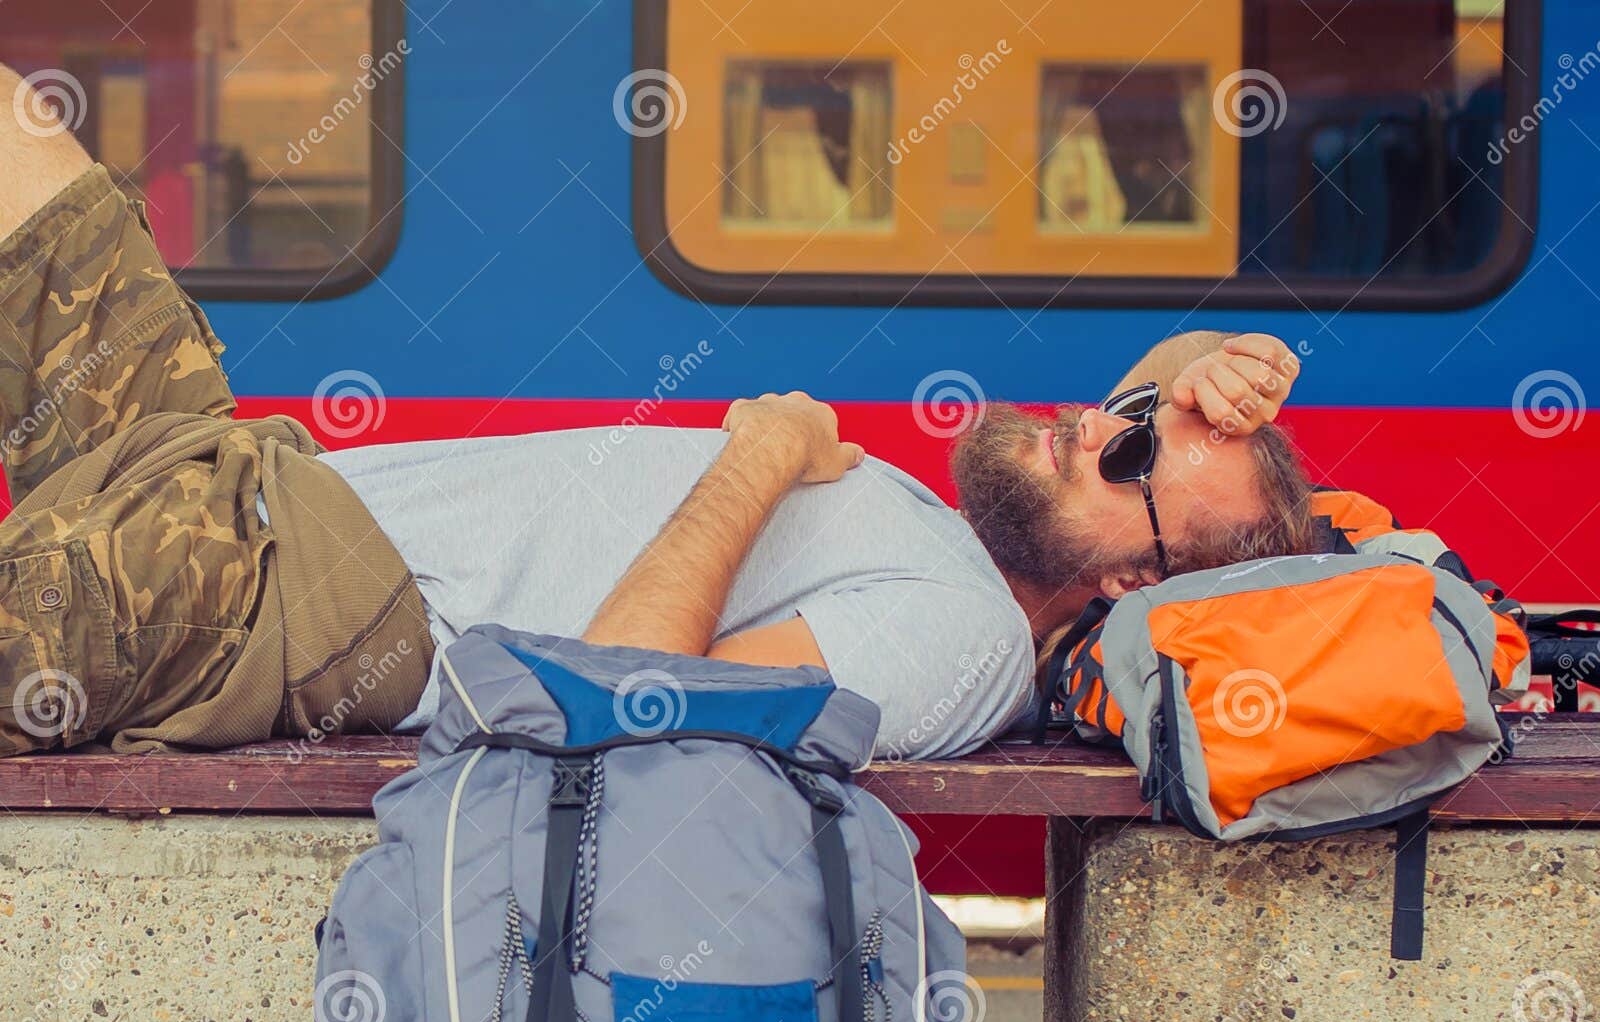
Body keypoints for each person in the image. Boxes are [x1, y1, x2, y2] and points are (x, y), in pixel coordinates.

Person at [0, 65, 1310, 760]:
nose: (1095, 420)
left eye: (1133, 442)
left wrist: (765, 456)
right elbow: (1171, 414)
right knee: (24, 129)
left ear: (1132, 579)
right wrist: (1220, 360)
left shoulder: (957, 641)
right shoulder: (981, 547)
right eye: (1128, 401)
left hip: (265, 604)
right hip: (231, 481)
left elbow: (610, 705)